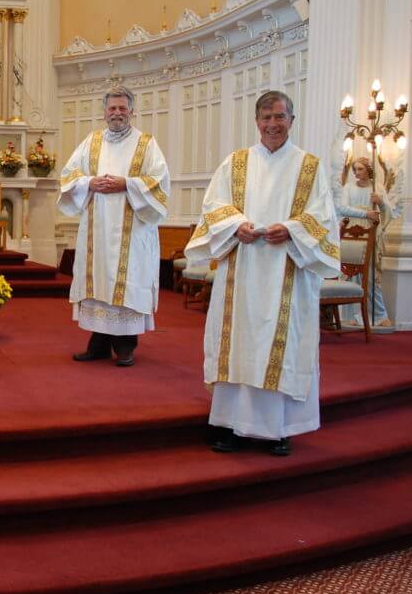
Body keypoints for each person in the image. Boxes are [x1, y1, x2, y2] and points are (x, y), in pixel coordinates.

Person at [185, 91, 339, 457]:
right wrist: (236, 225)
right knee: (236, 342)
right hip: (242, 268)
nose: (273, 124)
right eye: (267, 117)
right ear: (256, 122)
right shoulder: (235, 163)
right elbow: (214, 206)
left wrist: (292, 230)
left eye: (280, 117)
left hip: (288, 270)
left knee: (280, 344)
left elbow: (324, 216)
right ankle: (229, 426)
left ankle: (278, 429)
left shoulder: (310, 167)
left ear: (292, 120)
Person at [58, 86, 170, 366]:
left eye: (122, 108)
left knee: (127, 283)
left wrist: (126, 184)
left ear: (132, 111)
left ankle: (125, 346)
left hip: (132, 230)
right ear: (104, 112)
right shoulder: (92, 141)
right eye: (112, 108)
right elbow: (70, 174)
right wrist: (89, 182)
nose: (117, 113)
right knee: (99, 282)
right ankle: (98, 344)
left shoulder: (146, 143)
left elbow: (159, 180)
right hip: (97, 226)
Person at [337, 156, 396, 331]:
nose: (356, 172)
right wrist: (365, 214)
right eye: (354, 169)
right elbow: (343, 208)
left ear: (368, 170)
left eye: (360, 169)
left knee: (369, 276)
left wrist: (381, 202)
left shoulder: (377, 187)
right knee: (352, 274)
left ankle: (379, 314)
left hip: (370, 231)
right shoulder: (348, 188)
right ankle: (355, 315)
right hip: (352, 231)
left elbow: (388, 213)